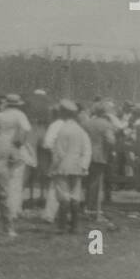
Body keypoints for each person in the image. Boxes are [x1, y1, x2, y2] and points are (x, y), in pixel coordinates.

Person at [44, 99, 91, 233]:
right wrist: (84, 166)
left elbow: (58, 152)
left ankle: (62, 226)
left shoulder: (62, 130)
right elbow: (87, 150)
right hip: (77, 167)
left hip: (63, 167)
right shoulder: (81, 131)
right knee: (75, 196)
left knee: (63, 197)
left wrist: (52, 168)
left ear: (64, 113)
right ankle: (75, 226)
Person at [80, 101, 117, 217]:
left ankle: (85, 204)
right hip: (99, 155)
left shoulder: (87, 123)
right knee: (96, 182)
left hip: (86, 154)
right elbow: (110, 141)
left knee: (87, 181)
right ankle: (92, 207)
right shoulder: (106, 124)